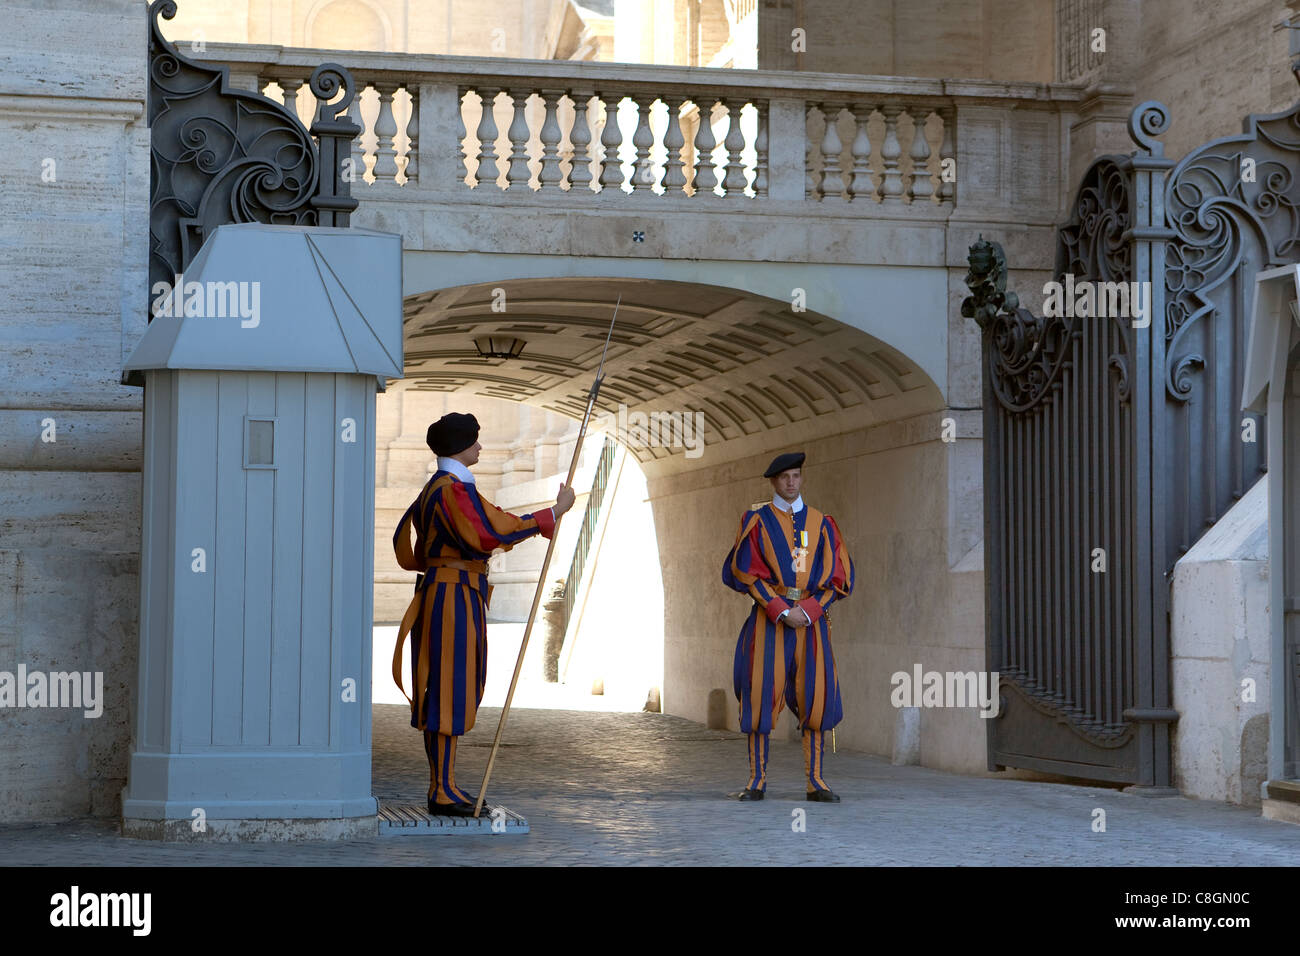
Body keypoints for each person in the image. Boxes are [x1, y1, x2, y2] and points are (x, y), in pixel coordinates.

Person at [392, 412, 575, 816]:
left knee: (452, 687)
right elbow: (490, 531)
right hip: (452, 595)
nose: (480, 447)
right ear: (460, 445)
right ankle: (441, 789)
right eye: (474, 441)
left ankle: (447, 784)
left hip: (456, 591)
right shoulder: (450, 490)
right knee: (447, 688)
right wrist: (552, 513)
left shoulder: (446, 488)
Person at [722, 451, 855, 802]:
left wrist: (809, 611)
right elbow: (745, 572)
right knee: (760, 693)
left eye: (796, 476)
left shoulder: (822, 523)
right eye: (785, 478)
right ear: (773, 481)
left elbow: (838, 577)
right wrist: (781, 609)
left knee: (816, 696)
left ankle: (816, 782)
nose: (791, 482)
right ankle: (757, 780)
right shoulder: (757, 521)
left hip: (811, 625)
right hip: (770, 621)